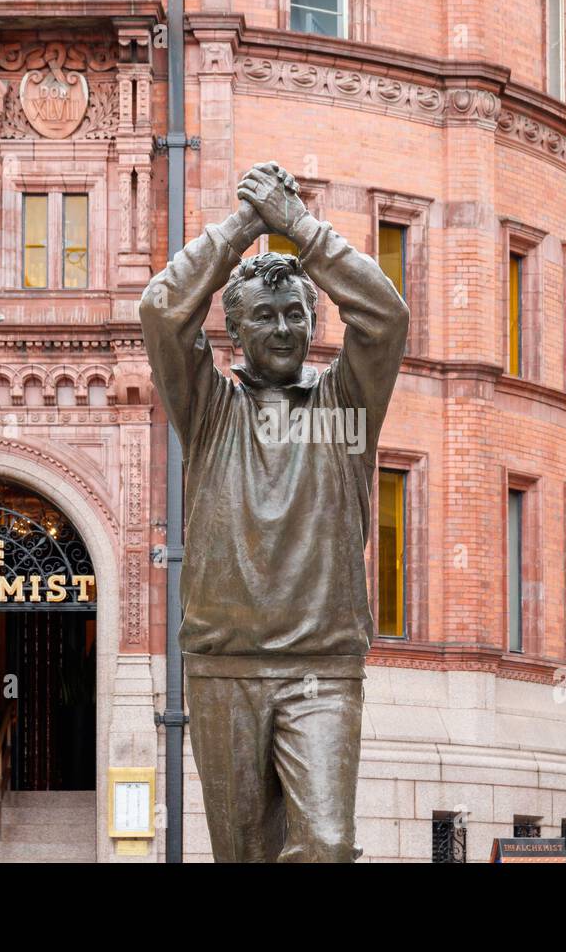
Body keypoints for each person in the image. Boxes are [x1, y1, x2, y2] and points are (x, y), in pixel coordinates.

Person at [139, 161, 409, 861]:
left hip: (321, 668)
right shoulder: (208, 410)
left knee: (325, 842)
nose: (286, 328)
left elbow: (385, 316)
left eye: (297, 314)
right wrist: (242, 228)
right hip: (224, 665)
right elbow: (162, 311)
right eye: (266, 315)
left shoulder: (345, 403)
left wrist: (296, 228)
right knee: (244, 855)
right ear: (233, 331)